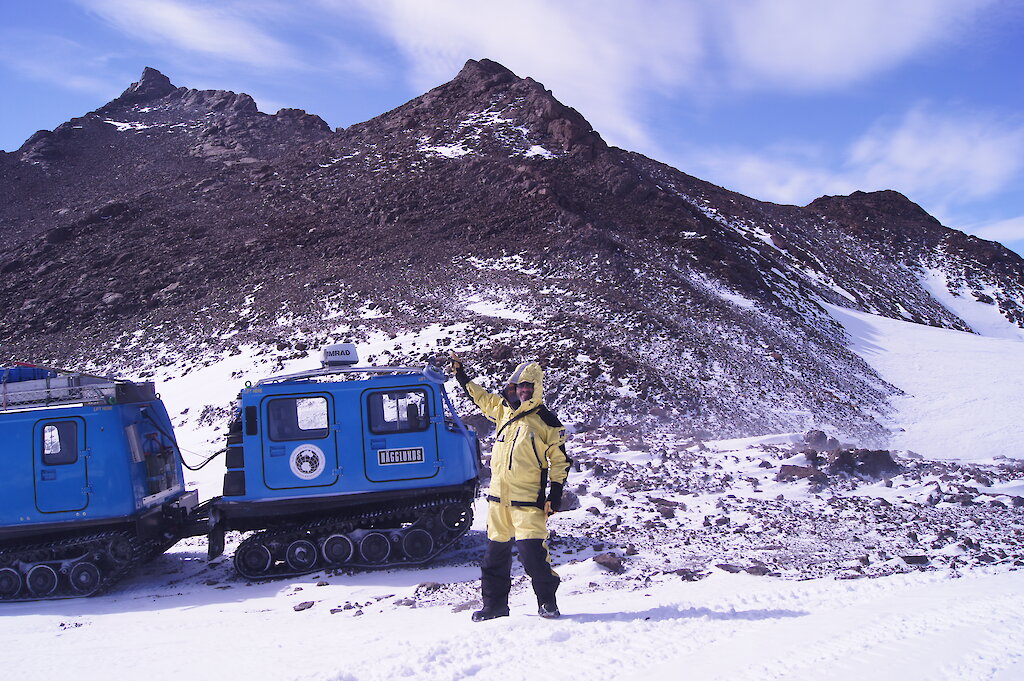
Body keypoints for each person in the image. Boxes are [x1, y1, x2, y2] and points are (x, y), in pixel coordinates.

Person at [453, 357, 570, 621]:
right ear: (513, 387)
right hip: (498, 502)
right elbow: (481, 398)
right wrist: (462, 377)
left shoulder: (547, 422)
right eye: (520, 386)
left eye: (529, 386)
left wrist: (555, 495)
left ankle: (547, 603)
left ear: (537, 388)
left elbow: (560, 461)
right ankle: (494, 607)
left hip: (528, 502)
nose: (523, 390)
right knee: (494, 559)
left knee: (533, 557)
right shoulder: (503, 410)